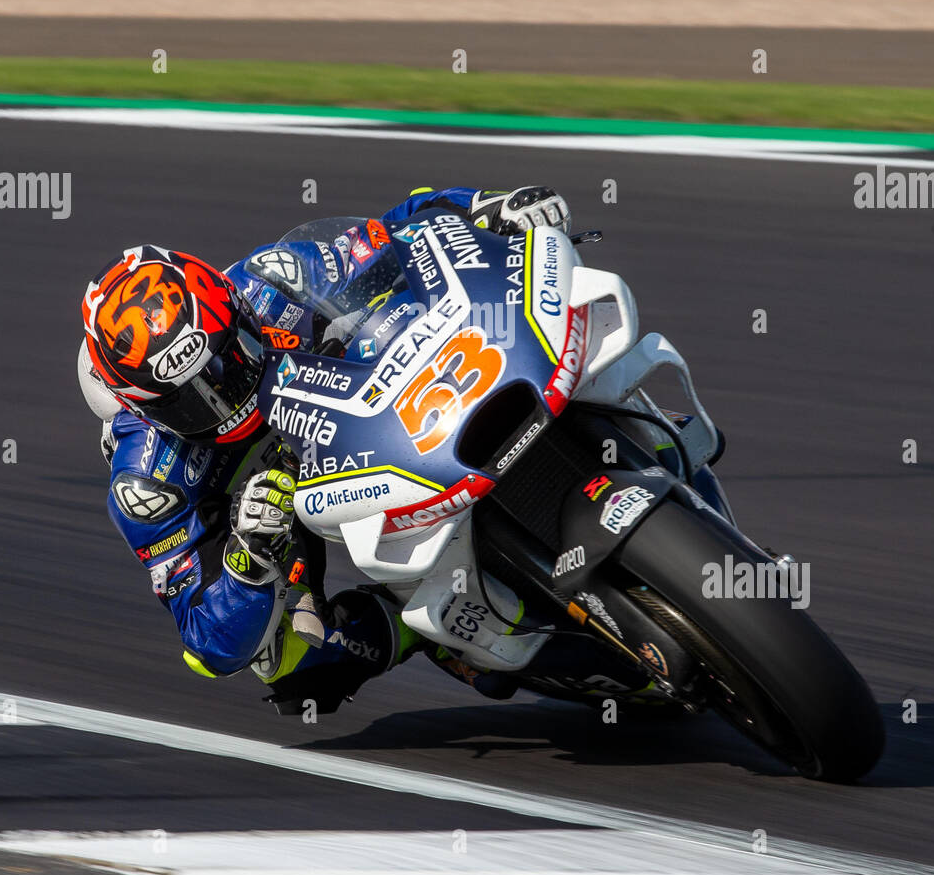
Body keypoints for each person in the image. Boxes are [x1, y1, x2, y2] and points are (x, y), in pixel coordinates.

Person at [77, 187, 571, 715]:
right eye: (187, 402)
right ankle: (417, 629)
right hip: (279, 511)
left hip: (379, 414)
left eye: (225, 361)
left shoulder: (272, 282)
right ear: (141, 408)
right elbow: (206, 644)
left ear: (234, 309)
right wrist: (249, 558)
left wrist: (482, 207)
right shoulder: (149, 482)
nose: (219, 397)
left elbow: (396, 233)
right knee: (283, 661)